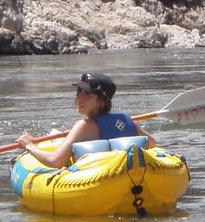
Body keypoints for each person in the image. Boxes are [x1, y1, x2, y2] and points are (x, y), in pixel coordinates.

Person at [19, 72, 154, 169]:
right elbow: (153, 144)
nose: (79, 98)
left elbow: (54, 161)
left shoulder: (83, 126)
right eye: (79, 92)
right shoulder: (126, 120)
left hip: (102, 186)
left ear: (101, 102)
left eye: (88, 94)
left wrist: (29, 146)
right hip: (128, 178)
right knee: (55, 133)